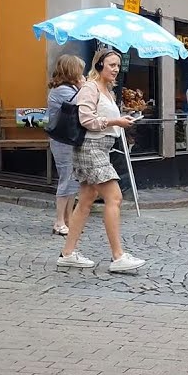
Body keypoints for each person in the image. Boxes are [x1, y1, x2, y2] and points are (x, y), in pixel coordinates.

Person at [57, 48, 145, 273]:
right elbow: (86, 119)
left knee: (86, 201)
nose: (116, 69)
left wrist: (121, 121)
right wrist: (116, 121)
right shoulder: (90, 87)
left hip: (102, 149)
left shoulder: (108, 91)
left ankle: (67, 254)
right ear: (99, 66)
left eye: (118, 65)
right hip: (90, 149)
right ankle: (118, 257)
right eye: (111, 65)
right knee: (114, 198)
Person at [46, 55, 85, 237]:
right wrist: (83, 87)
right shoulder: (62, 90)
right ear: (73, 71)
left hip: (69, 140)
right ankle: (59, 221)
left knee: (72, 180)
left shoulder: (68, 88)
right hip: (62, 140)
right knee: (65, 179)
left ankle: (68, 219)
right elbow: (81, 103)